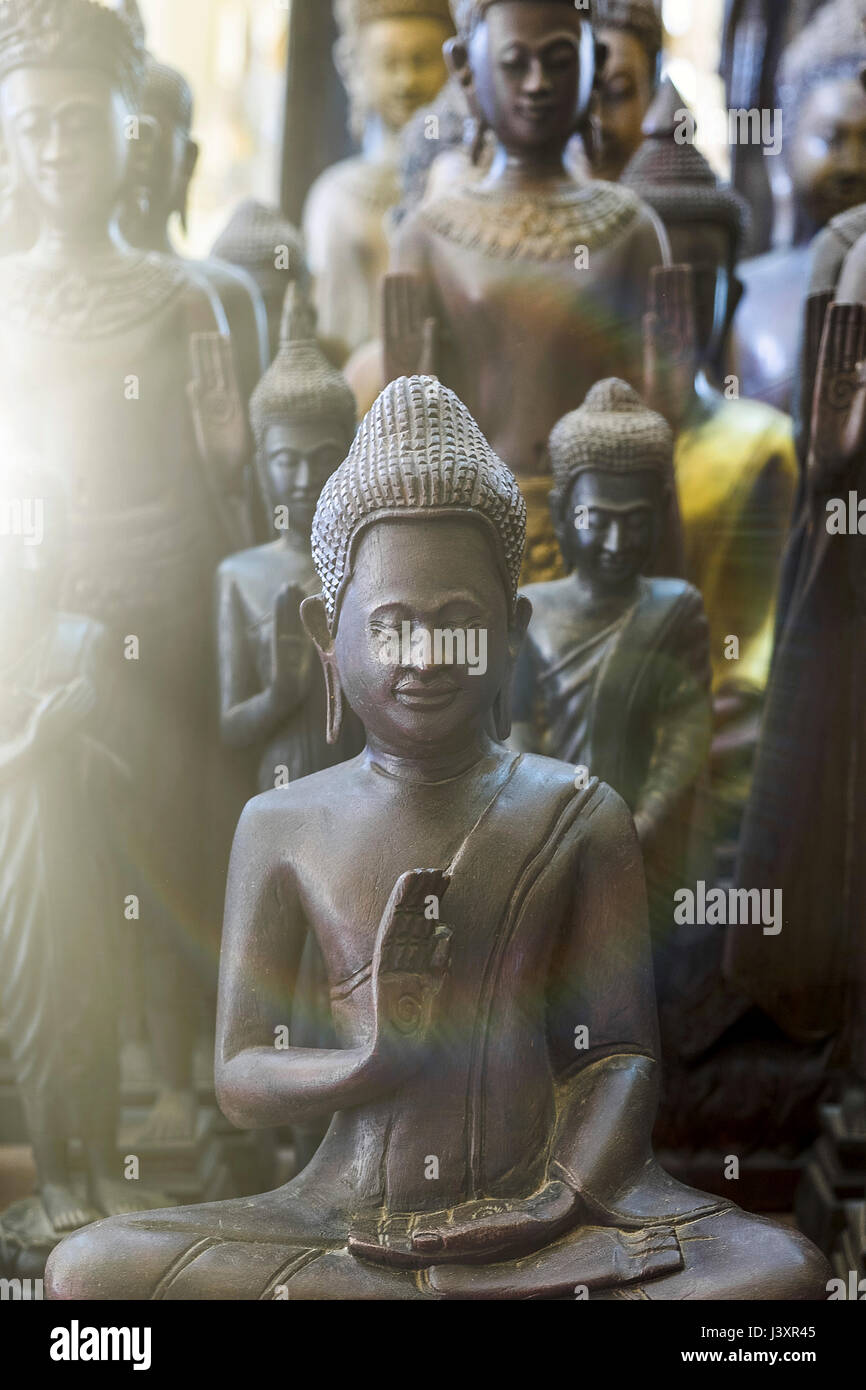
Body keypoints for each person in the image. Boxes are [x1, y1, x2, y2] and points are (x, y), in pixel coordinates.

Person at [46, 376, 827, 1301]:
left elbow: (619, 1059)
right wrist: (371, 1061)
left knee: (780, 1278)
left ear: (513, 632)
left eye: (458, 624)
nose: (422, 657)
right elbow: (241, 1074)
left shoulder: (579, 810)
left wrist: (553, 1203)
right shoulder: (282, 821)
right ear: (324, 639)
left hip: (550, 1224)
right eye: (390, 625)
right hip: (346, 1220)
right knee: (90, 1275)